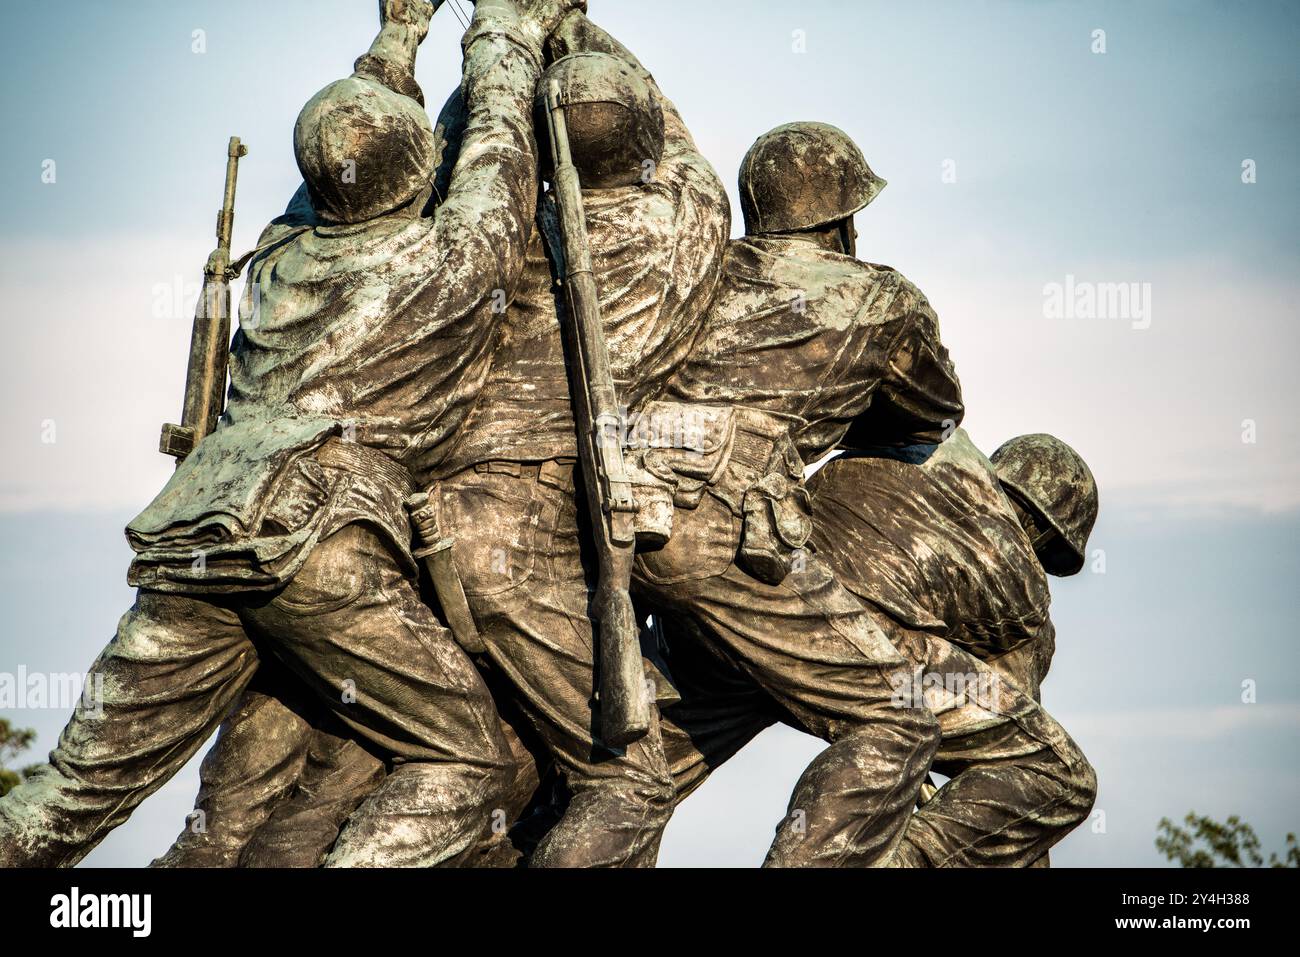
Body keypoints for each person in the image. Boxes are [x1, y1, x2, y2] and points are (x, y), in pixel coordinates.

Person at [0, 0, 577, 868]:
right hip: (313, 538)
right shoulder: (447, 265)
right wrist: (505, 31)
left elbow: (337, 159)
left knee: (69, 796)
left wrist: (399, 33)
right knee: (466, 756)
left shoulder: (280, 253)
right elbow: (498, 156)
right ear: (419, 172)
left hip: (192, 535)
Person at [625, 121, 965, 866]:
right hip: (734, 539)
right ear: (844, 221)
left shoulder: (703, 270)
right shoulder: (883, 298)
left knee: (630, 772)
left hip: (630, 522)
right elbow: (932, 414)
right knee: (901, 718)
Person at [659, 430, 1100, 867]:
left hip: (755, 591)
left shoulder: (914, 445)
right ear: (1043, 533)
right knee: (1058, 773)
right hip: (855, 645)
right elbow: (1007, 736)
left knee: (637, 780)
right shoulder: (1023, 586)